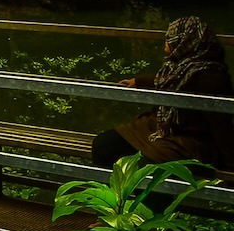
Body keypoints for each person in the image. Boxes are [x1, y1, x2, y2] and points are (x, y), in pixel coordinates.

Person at [92, 16, 234, 172]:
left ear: (186, 42)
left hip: (189, 139)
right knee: (104, 145)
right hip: (162, 127)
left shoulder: (211, 78)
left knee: (146, 168)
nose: (166, 41)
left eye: (171, 38)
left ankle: (145, 195)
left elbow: (222, 126)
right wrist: (139, 81)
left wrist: (229, 167)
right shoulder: (179, 65)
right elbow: (169, 79)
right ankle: (110, 194)